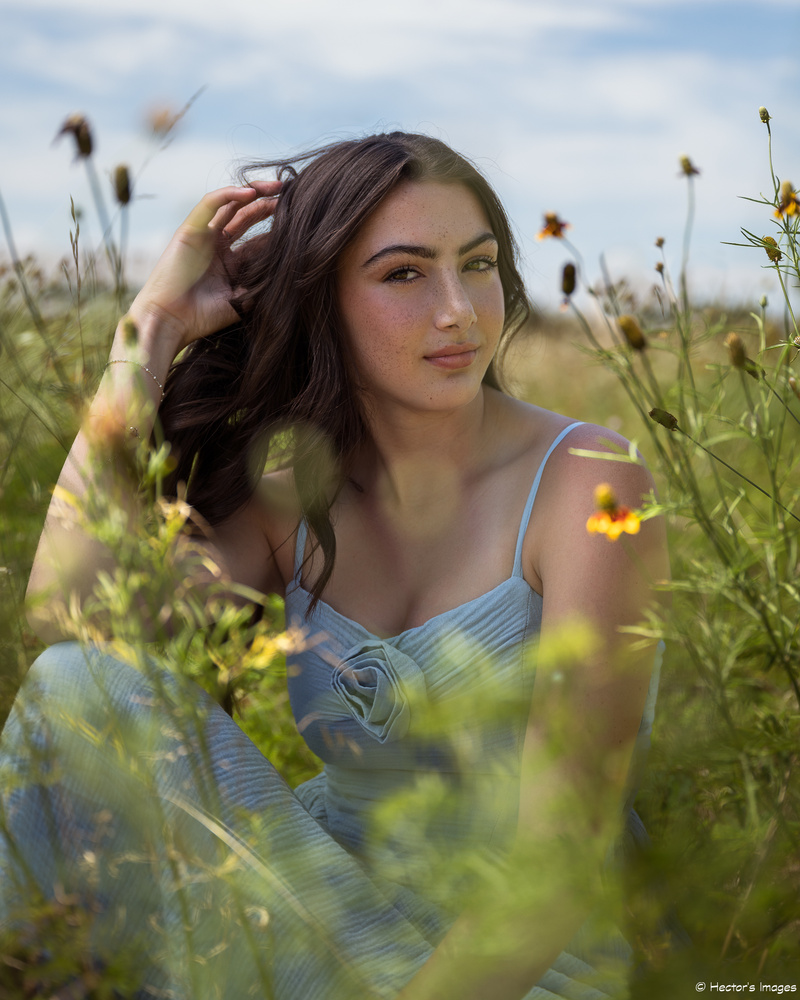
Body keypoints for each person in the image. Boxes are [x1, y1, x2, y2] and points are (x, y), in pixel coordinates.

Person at [1, 132, 668, 999]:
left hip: (511, 964)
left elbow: (559, 861)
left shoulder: (590, 484)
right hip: (313, 905)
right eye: (404, 274)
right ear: (321, 303)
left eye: (477, 264)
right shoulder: (295, 495)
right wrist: (150, 328)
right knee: (76, 683)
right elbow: (67, 617)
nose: (460, 311)